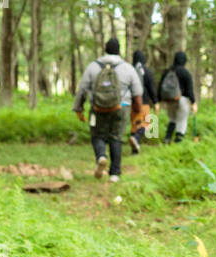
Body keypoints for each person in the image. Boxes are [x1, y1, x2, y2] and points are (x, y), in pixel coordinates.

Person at [73, 38, 143, 182]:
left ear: (105, 49)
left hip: (98, 108)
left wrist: (78, 108)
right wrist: (138, 112)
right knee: (116, 137)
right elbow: (137, 94)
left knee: (98, 135)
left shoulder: (93, 66)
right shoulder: (128, 68)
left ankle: (101, 156)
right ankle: (115, 174)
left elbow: (82, 90)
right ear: (119, 50)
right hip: (121, 108)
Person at [158, 50, 197, 143]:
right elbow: (189, 90)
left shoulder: (167, 71)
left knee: (172, 119)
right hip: (182, 100)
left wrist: (159, 101)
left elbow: (160, 87)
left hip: (169, 100)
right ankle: (178, 140)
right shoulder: (185, 73)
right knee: (182, 120)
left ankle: (167, 138)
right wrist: (193, 102)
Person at [130, 49, 158, 153]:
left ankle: (134, 150)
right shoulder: (146, 71)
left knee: (135, 124)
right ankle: (136, 139)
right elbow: (151, 87)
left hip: (131, 102)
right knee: (146, 123)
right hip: (144, 102)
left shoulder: (130, 70)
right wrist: (155, 102)